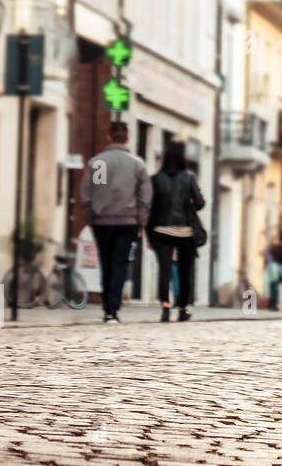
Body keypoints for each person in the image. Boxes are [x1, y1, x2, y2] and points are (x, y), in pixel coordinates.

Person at [79, 121, 151, 325]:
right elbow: (144, 198)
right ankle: (113, 309)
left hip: (102, 222)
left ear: (109, 137)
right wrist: (140, 223)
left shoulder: (99, 163)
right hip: (128, 222)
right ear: (127, 138)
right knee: (120, 264)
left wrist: (91, 218)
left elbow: (89, 193)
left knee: (106, 264)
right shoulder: (137, 164)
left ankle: (107, 309)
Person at [145, 139, 205, 323]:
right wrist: (188, 203)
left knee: (164, 269)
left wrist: (149, 235)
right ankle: (182, 308)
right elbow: (201, 203)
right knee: (184, 272)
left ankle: (164, 306)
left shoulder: (155, 179)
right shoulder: (188, 179)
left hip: (161, 230)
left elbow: (151, 209)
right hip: (184, 231)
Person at [265, 211, 282, 312]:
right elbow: (268, 258)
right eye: (275, 240)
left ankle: (278, 303)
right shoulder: (270, 249)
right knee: (273, 287)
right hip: (273, 269)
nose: (276, 241)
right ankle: (273, 303)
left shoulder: (281, 249)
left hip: (280, 269)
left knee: (279, 288)